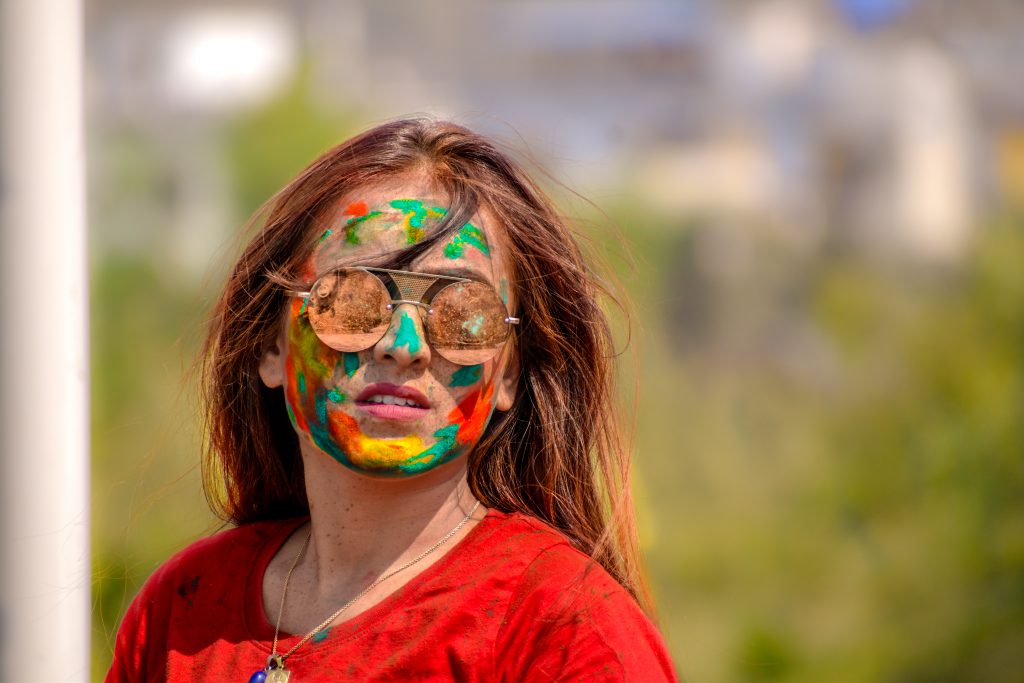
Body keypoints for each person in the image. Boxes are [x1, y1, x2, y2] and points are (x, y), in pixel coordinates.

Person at [106, 118, 678, 682]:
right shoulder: (181, 614)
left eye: (463, 313)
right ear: (271, 346)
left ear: (508, 372)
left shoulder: (564, 630)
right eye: (352, 299)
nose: (405, 347)